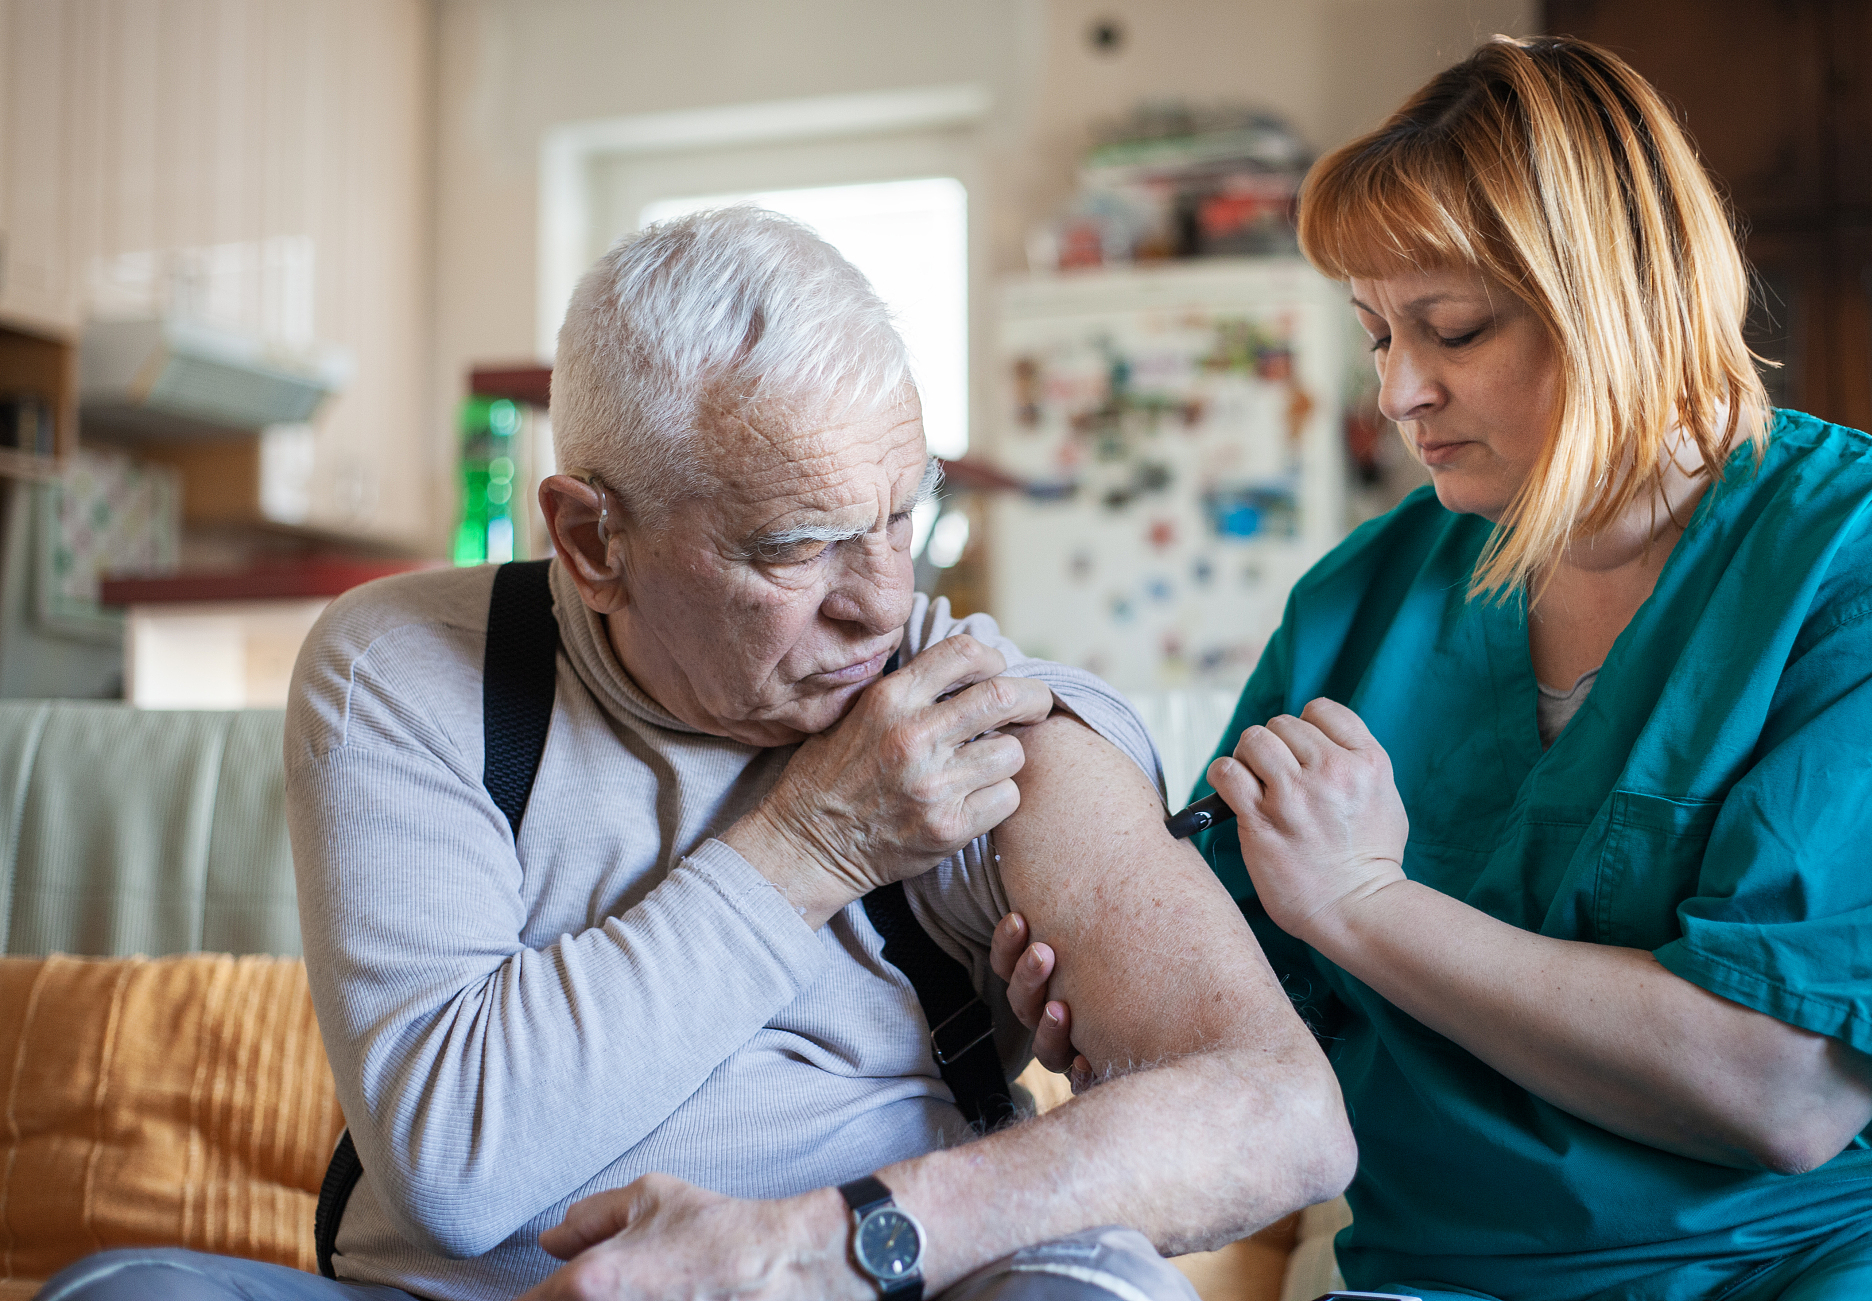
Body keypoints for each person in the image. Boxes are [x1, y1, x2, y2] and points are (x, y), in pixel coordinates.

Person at [38, 209, 1351, 1301]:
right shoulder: (412, 668)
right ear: (591, 540)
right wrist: (811, 843)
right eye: (798, 547)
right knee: (126, 1292)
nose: (880, 604)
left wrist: (827, 1244)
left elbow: (1282, 1113)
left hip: (879, 1291)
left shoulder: (983, 717)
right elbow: (455, 1169)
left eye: (904, 518)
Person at [1006, 36, 1872, 1299]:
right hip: (1460, 1265)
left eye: (1449, 329)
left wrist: (1364, 902)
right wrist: (1118, 1011)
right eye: (1376, 334)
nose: (1397, 392)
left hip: (1839, 1238)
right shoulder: (1362, 600)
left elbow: (1783, 1093)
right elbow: (1239, 1006)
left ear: (1624, 302)